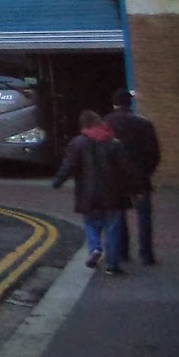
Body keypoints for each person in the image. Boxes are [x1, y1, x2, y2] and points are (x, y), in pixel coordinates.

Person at [52, 108, 132, 275]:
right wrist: (134, 188)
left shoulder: (78, 143)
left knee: (90, 224)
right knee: (112, 229)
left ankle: (95, 249)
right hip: (113, 194)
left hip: (87, 194)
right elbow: (126, 169)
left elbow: (68, 165)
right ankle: (112, 265)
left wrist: (58, 181)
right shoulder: (114, 142)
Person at [104, 87, 162, 266]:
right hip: (140, 178)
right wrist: (146, 172)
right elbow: (155, 154)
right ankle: (147, 255)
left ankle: (122, 253)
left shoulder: (106, 123)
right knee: (144, 217)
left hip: (116, 179)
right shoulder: (144, 123)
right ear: (130, 103)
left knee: (118, 216)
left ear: (114, 104)